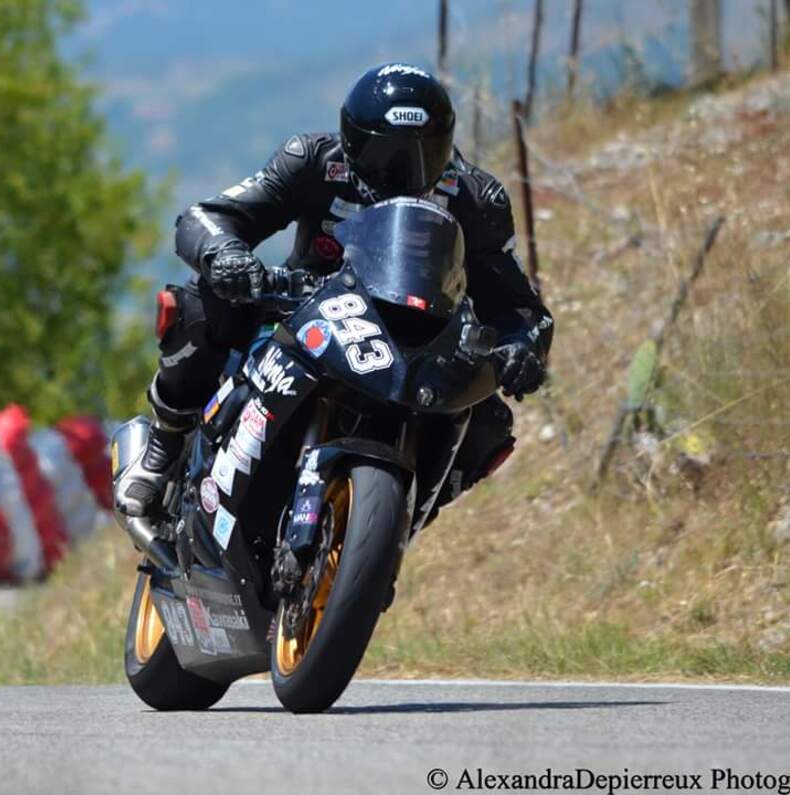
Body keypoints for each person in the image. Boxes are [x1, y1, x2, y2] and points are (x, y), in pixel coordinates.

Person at [116, 62, 553, 519]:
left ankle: (394, 521)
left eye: (423, 153)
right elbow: (209, 216)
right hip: (301, 307)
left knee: (488, 423)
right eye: (386, 157)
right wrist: (226, 255)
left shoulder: (476, 198)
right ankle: (164, 444)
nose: (404, 172)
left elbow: (520, 308)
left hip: (420, 336)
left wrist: (521, 348)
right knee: (199, 303)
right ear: (351, 139)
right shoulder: (313, 160)